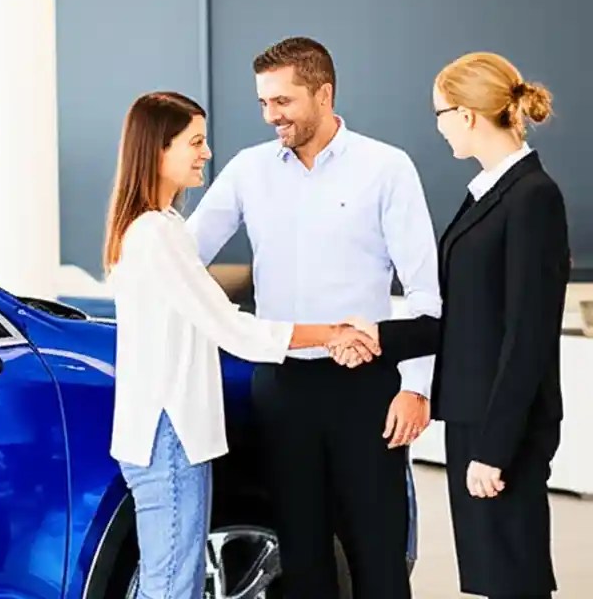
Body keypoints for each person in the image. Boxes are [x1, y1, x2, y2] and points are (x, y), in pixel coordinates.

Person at [185, 37, 441, 599]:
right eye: (263, 103)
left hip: (366, 389)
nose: (271, 115)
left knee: (378, 553)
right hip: (281, 386)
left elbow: (425, 291)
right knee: (300, 558)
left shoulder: (386, 167)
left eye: (283, 101)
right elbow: (182, 256)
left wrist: (416, 389)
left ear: (323, 93)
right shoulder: (249, 170)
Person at [103, 90, 378, 599]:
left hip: (168, 433)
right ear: (158, 150)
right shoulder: (154, 235)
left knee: (172, 580)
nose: (206, 153)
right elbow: (230, 327)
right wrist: (331, 333)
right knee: (171, 586)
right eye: (196, 142)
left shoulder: (158, 228)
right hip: (169, 433)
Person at [340, 51, 568, 599]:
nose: (439, 128)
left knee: (515, 577)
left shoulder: (533, 197)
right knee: (495, 578)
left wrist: (494, 448)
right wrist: (379, 335)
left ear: (467, 114)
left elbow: (528, 336)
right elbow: (465, 317)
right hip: (475, 417)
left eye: (440, 114)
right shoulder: (486, 193)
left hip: (501, 425)